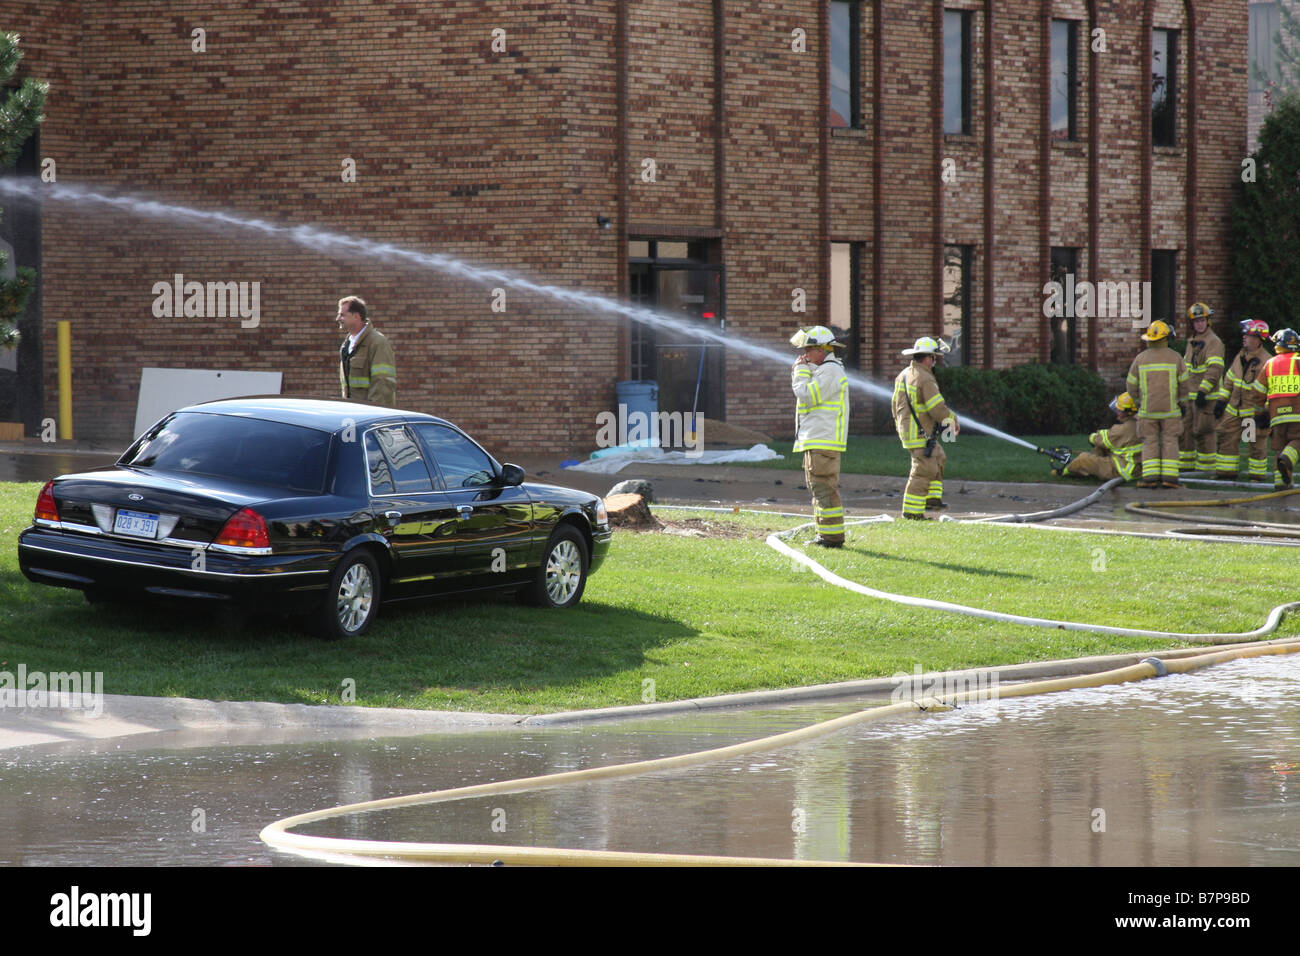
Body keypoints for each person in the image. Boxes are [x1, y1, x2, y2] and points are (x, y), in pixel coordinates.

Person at [790, 325, 850, 547]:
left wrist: (800, 371)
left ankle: (831, 538)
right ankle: (825, 535)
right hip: (817, 441)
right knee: (819, 489)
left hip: (823, 442)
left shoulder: (830, 371)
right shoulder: (824, 370)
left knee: (824, 490)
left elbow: (807, 395)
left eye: (808, 350)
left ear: (822, 349)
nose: (804, 355)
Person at [892, 337, 958, 520]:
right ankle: (912, 512)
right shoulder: (925, 378)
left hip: (909, 431)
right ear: (929, 358)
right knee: (923, 469)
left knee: (938, 456)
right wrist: (952, 420)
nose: (935, 362)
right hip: (919, 433)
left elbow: (894, 405)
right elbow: (936, 408)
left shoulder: (904, 374)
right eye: (935, 358)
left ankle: (932, 499)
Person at [1126, 320, 1188, 489]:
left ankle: (1150, 478)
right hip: (1171, 411)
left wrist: (1139, 402)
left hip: (1147, 411)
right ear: (1166, 338)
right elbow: (1184, 383)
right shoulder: (1175, 357)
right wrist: (1182, 402)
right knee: (1170, 441)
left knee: (1150, 442)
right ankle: (1170, 478)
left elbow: (1131, 385)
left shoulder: (1140, 358)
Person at [1212, 318, 1272, 481]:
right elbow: (1229, 381)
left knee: (1255, 444)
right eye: (1244, 334)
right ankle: (1226, 474)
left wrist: (1266, 412)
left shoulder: (1266, 362)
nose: (1244, 337)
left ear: (1258, 339)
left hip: (1251, 414)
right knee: (1226, 438)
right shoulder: (1240, 356)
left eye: (1248, 334)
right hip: (1233, 410)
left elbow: (1271, 390)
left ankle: (1257, 476)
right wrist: (1221, 402)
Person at [1178, 302, 1225, 472]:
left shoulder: (1214, 342)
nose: (1199, 324)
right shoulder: (1192, 342)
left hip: (1207, 397)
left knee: (1205, 431)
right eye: (1196, 321)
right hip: (1190, 395)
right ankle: (1186, 465)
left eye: (1202, 320)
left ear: (1208, 321)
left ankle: (1207, 468)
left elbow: (1215, 369)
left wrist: (1203, 391)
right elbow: (1186, 369)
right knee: (1186, 431)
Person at [1055, 393, 1141, 482]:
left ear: (1128, 412)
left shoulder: (1124, 429)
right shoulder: (1140, 424)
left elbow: (1103, 439)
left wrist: (1092, 437)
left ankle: (1063, 472)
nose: (1117, 413)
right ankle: (1089, 467)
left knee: (1082, 460)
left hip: (1124, 469)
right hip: (1135, 468)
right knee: (1099, 450)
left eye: (1119, 410)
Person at [1254, 328, 1300, 489]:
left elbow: (1258, 391)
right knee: (1297, 442)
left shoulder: (1270, 364)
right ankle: (1287, 459)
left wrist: (1259, 413)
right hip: (1297, 414)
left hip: (1276, 417)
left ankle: (1281, 484)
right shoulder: (1299, 360)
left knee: (1279, 448)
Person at [336, 295, 397, 407]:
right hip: (354, 416)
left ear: (356, 316)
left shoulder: (377, 342)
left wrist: (373, 414)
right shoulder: (346, 346)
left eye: (342, 315)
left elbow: (382, 383)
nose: (338, 318)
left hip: (371, 418)